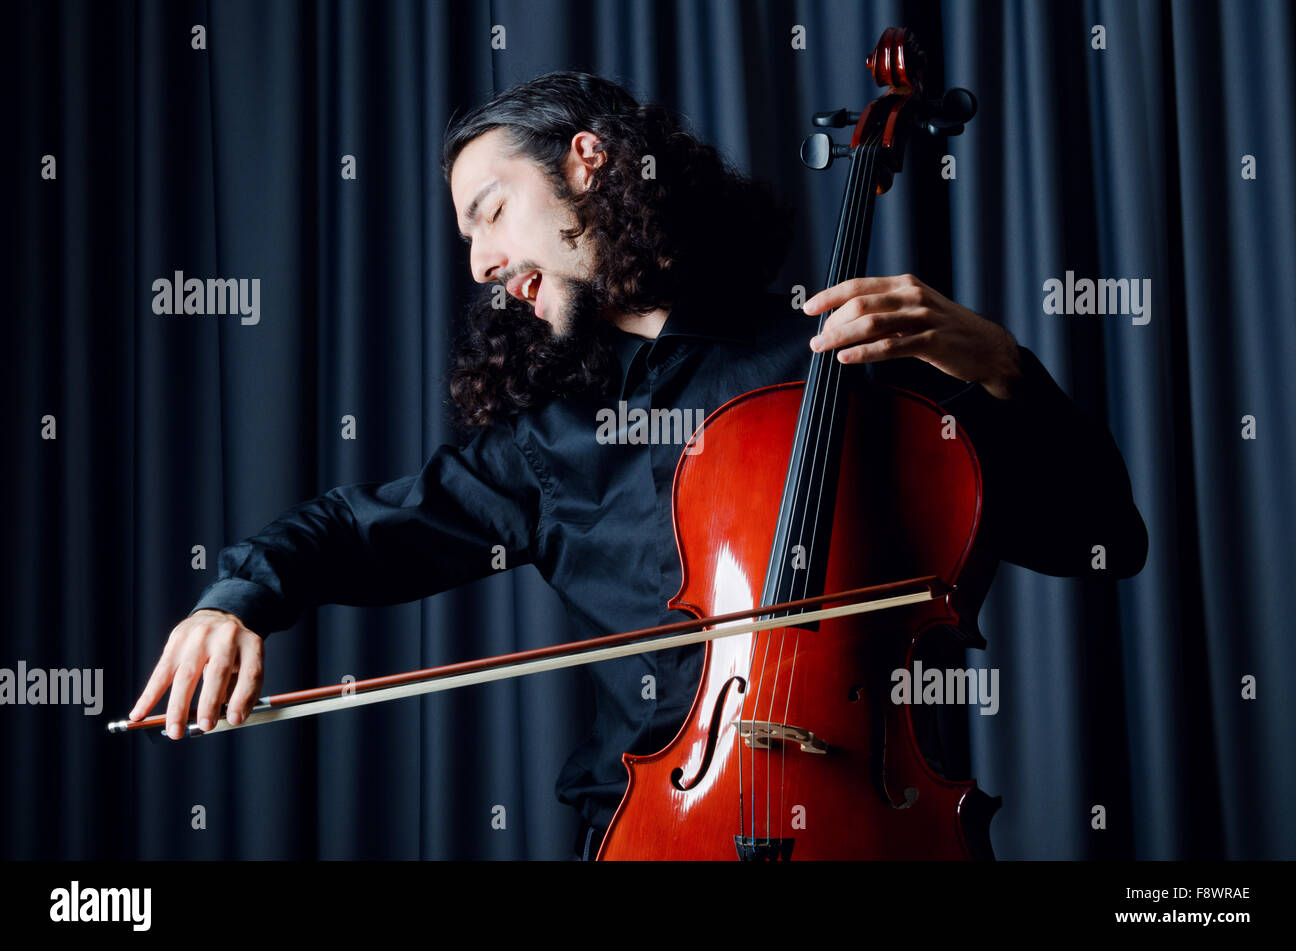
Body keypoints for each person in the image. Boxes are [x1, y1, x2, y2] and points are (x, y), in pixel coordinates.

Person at [128, 71, 1147, 859]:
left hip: (874, 820)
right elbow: (359, 529)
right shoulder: (552, 440)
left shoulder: (846, 361)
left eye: (489, 210)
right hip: (647, 830)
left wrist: (1002, 370)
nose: (479, 262)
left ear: (586, 160)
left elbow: (1101, 543)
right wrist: (232, 600)